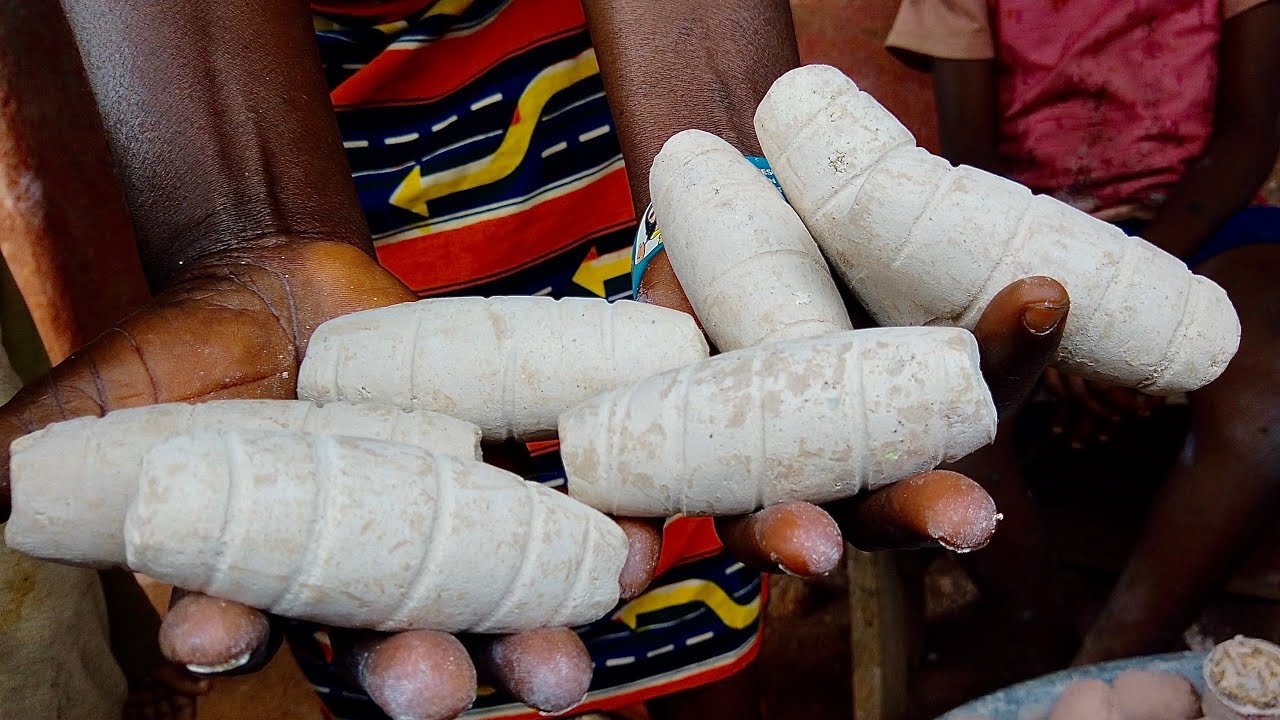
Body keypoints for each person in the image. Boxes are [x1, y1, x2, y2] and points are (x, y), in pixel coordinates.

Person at [0, 1, 1075, 718]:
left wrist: (719, 173)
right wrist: (248, 231)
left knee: (688, 523)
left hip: (593, 98)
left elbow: (711, 202)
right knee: (393, 569)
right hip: (315, 129)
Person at [885, 0, 1280, 666]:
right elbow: (974, 165)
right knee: (932, 396)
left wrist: (1130, 293)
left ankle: (1112, 656)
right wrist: (1070, 295)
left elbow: (1253, 128)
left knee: (1267, 386)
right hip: (1028, 234)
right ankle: (1036, 626)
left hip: (1206, 225)